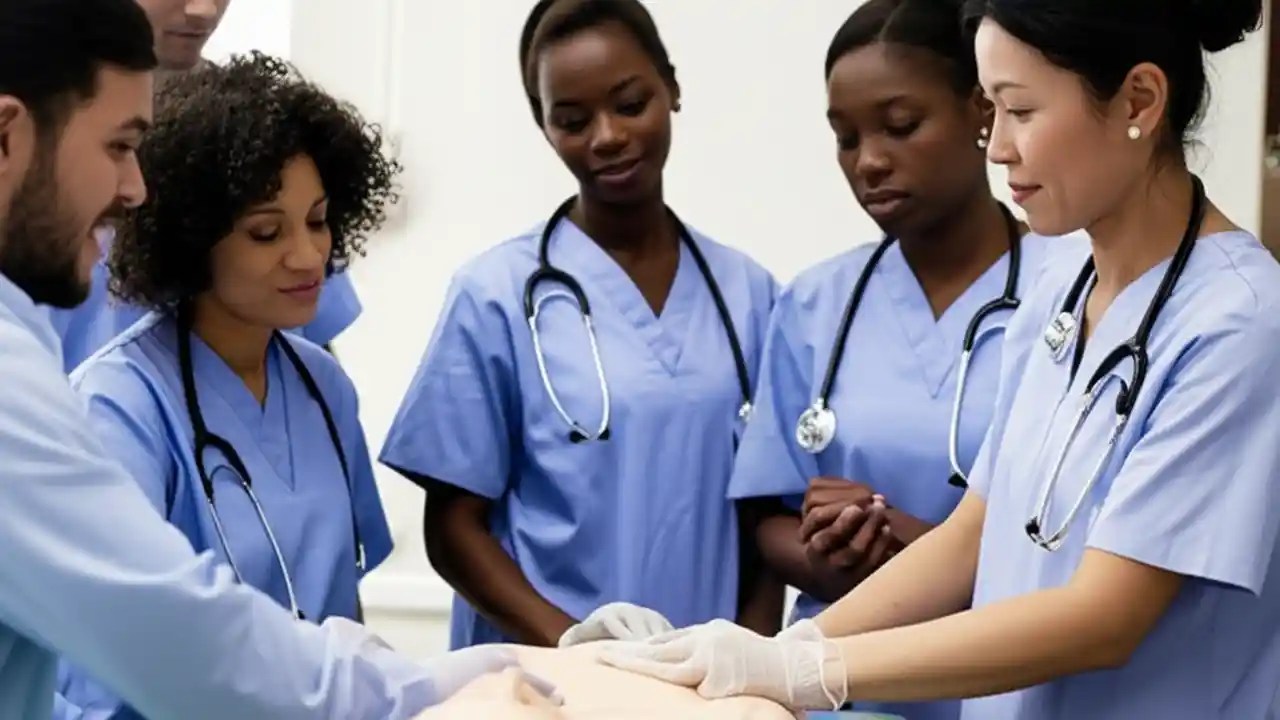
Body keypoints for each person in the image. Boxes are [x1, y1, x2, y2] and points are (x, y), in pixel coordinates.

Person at [595, 1, 1280, 718]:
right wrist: (770, 655)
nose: (998, 149)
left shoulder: (1237, 326)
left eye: (1020, 111)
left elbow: (1104, 617)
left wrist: (813, 669)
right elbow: (973, 534)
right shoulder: (1060, 287)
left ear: (1139, 99)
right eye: (992, 111)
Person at [0, 1, 551, 717]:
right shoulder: (90, 395)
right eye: (117, 146)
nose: (135, 189)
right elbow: (175, 634)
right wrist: (434, 684)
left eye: (319, 223)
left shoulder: (320, 386)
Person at [567, 3, 1071, 717]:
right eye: (845, 137)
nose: (868, 160)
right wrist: (834, 557)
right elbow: (765, 515)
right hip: (829, 689)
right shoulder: (815, 304)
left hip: (994, 683)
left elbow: (1080, 556)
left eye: (900, 126)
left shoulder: (1071, 292)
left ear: (979, 112)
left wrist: (915, 551)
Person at [379, 0, 781, 651]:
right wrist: (576, 645)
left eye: (629, 104)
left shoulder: (752, 296)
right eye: (572, 119)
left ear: (671, 88)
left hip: (701, 687)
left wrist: (750, 667)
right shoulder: (495, 296)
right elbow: (453, 530)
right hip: (545, 678)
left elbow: (767, 518)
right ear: (543, 126)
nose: (607, 136)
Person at [52, 52, 399, 719]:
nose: (307, 256)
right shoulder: (121, 405)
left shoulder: (324, 388)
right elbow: (108, 658)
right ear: (193, 238)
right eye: (267, 232)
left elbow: (342, 605)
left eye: (320, 220)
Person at [45, 0, 364, 372]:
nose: (204, 10)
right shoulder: (33, 147)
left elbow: (308, 357)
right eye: (265, 232)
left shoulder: (255, 126)